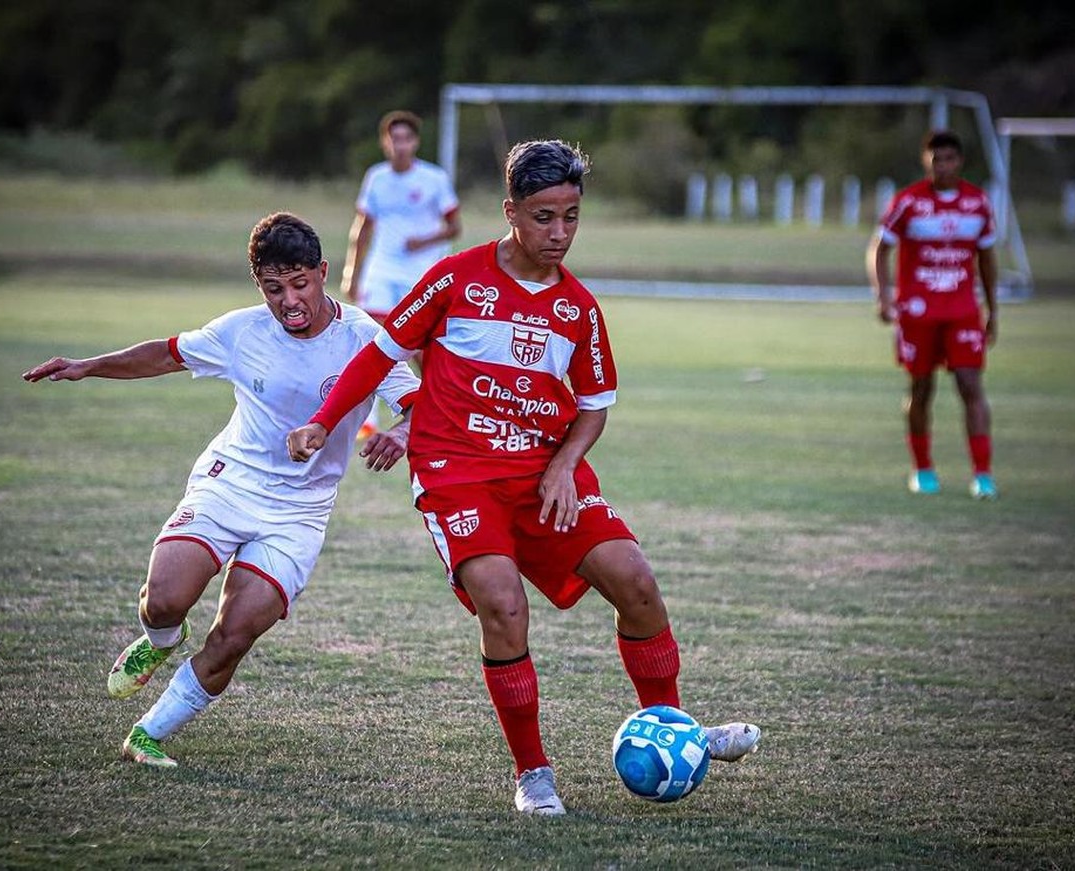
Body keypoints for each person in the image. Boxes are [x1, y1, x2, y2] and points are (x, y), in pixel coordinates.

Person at [288, 140, 760, 815]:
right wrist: (322, 421)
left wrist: (565, 464)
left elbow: (594, 405)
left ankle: (675, 728)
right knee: (503, 604)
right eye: (543, 217)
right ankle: (532, 773)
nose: (559, 233)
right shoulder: (455, 279)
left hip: (543, 473)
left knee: (637, 581)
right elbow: (377, 355)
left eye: (571, 216)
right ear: (510, 211)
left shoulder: (577, 309)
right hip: (459, 474)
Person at [21, 212, 420, 768]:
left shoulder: (365, 338)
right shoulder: (242, 331)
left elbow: (421, 406)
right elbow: (165, 353)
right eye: (273, 288)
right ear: (259, 286)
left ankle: (148, 734)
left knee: (234, 635)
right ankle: (161, 640)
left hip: (298, 514)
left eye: (300, 283)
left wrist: (402, 433)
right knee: (162, 600)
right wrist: (89, 366)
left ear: (323, 272)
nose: (290, 301)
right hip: (228, 484)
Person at [867, 129, 1000, 499]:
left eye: (949, 159)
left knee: (970, 385)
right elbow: (879, 249)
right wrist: (883, 296)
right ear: (926, 161)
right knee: (921, 388)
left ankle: (983, 475)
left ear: (960, 161)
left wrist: (993, 308)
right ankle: (923, 469)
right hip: (918, 311)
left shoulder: (977, 204)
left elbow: (987, 260)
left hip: (962, 310)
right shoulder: (909, 202)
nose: (943, 166)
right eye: (935, 159)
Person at [340, 109, 461, 438]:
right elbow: (362, 228)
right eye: (395, 138)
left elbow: (454, 227)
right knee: (370, 343)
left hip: (420, 276)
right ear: (385, 142)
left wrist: (423, 240)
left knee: (422, 349)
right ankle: (368, 421)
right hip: (380, 272)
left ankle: (434, 413)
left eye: (407, 138)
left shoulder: (433, 179)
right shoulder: (376, 177)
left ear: (416, 142)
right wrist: (353, 272)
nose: (401, 144)